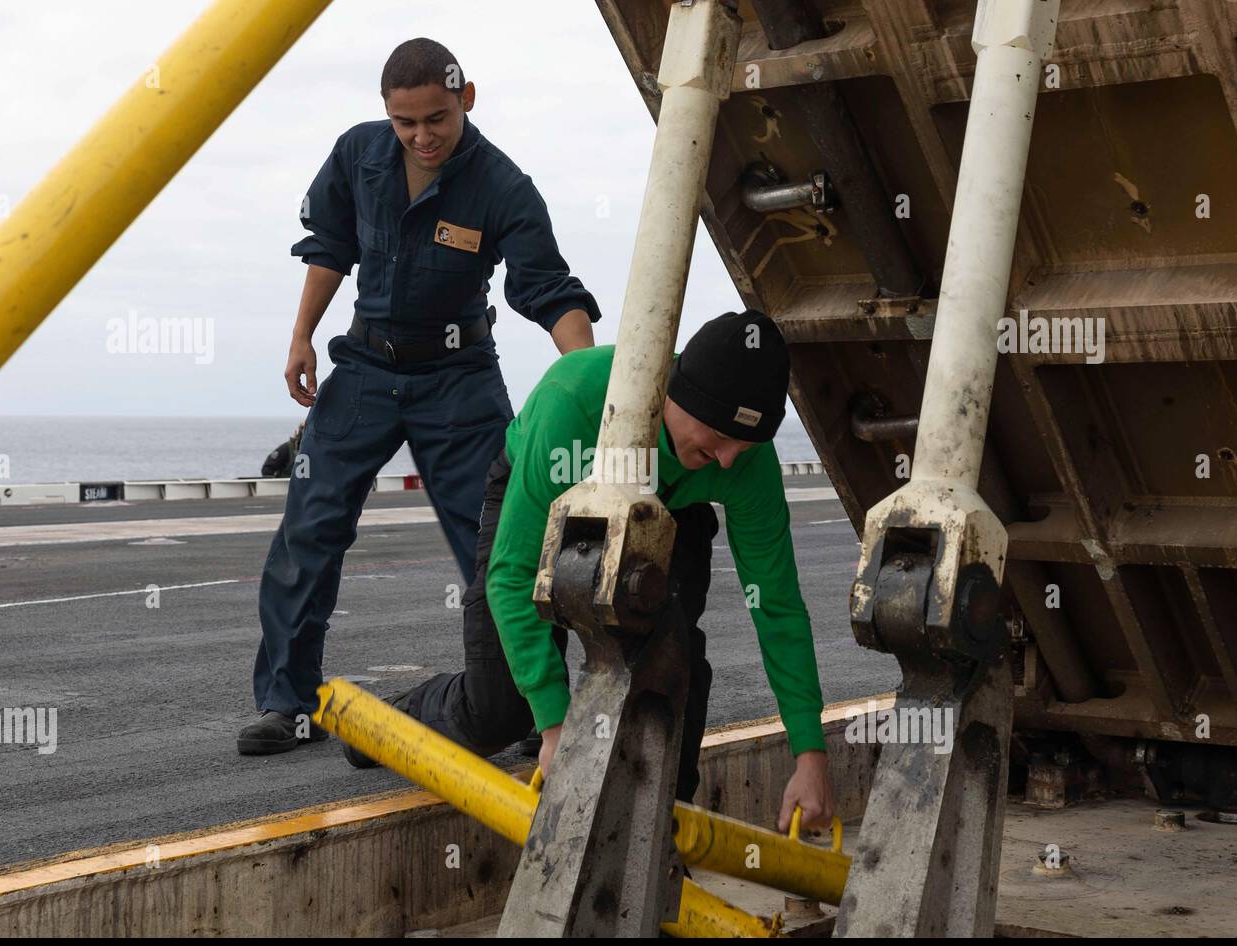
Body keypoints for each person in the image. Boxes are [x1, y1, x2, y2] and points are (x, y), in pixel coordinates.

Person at [239, 38, 599, 755]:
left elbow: (549, 291)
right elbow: (328, 247)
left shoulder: (503, 185)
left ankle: (534, 704)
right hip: (365, 366)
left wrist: (590, 385)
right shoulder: (357, 154)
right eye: (407, 123)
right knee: (308, 531)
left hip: (459, 379)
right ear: (386, 113)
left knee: (502, 543)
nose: (423, 136)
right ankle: (291, 701)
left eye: (436, 117)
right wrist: (301, 337)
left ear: (466, 98)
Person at [349, 311, 835, 831]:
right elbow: (512, 577)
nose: (727, 461)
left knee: (673, 661)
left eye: (746, 446)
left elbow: (776, 603)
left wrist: (811, 754)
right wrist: (556, 726)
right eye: (716, 436)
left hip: (668, 506)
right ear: (674, 394)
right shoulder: (575, 399)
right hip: (554, 491)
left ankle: (660, 845)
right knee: (501, 709)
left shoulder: (738, 459)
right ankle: (386, 720)